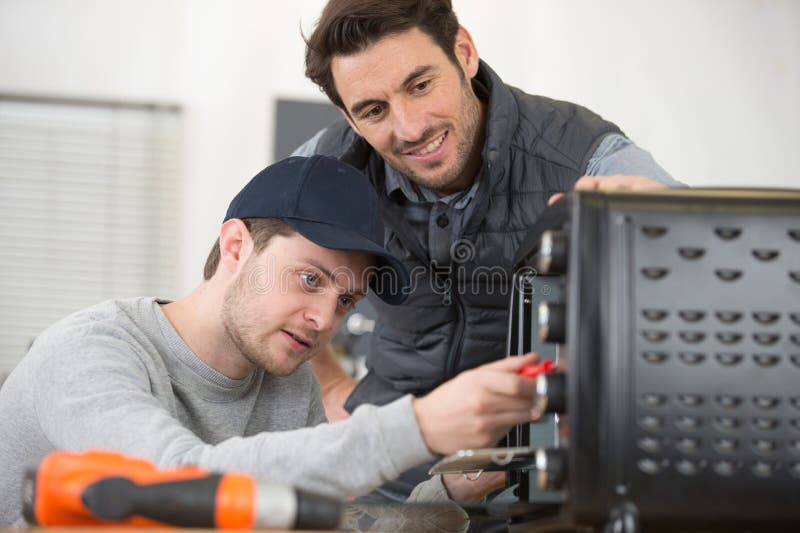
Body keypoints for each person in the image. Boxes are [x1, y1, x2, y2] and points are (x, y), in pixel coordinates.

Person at [0, 155, 542, 528]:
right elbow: (176, 487)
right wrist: (420, 425)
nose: (323, 319)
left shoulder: (287, 383)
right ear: (236, 247)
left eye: (347, 300)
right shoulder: (87, 352)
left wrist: (447, 495)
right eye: (310, 279)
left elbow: (319, 526)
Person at [295, 0, 686, 499]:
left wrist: (671, 231)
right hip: (390, 466)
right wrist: (328, 386)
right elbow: (249, 285)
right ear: (350, 119)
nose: (411, 128)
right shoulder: (322, 170)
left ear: (464, 53)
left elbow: (705, 269)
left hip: (547, 469)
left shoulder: (588, 153)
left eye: (420, 85)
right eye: (374, 110)